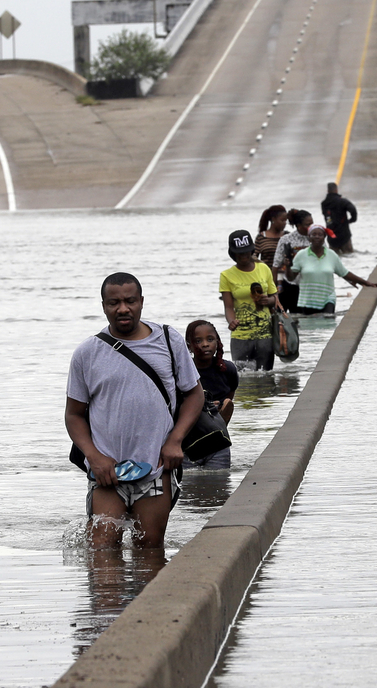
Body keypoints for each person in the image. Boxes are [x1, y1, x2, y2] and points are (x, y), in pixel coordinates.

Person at [65, 272, 204, 550]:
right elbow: (74, 414)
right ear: (103, 306)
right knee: (103, 550)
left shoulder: (168, 340)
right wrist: (94, 456)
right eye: (114, 303)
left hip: (156, 467)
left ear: (141, 301)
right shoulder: (87, 353)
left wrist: (175, 440)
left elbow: (194, 394)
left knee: (150, 550)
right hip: (107, 473)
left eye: (130, 301)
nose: (123, 309)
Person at [219, 229, 280, 371]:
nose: (244, 256)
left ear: (252, 250)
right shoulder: (226, 275)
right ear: (233, 254)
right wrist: (231, 321)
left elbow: (276, 298)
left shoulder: (263, 268)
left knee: (265, 375)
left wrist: (268, 301)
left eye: (246, 252)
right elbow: (228, 307)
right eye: (239, 253)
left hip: (265, 335)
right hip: (240, 336)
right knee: (243, 377)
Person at [288, 224, 377, 315]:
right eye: (314, 234)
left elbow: (345, 273)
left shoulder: (331, 255)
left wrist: (366, 283)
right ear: (309, 237)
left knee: (328, 318)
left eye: (320, 235)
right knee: (311, 323)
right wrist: (287, 267)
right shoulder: (301, 255)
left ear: (324, 237)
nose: (317, 237)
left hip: (328, 298)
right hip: (308, 300)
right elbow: (291, 278)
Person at [183, 320, 238, 470]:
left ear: (217, 342)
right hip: (189, 438)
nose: (205, 344)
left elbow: (229, 398)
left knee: (218, 478)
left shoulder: (228, 369)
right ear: (189, 345)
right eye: (198, 341)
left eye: (210, 339)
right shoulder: (183, 371)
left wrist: (216, 411)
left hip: (217, 437)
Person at [271, 209, 313, 311]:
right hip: (290, 285)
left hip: (311, 286)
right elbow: (276, 265)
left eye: (312, 223)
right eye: (308, 224)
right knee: (290, 316)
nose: (311, 227)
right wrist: (272, 291)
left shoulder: (317, 238)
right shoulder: (286, 239)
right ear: (298, 225)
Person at [321, 182, 358, 254]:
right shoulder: (342, 201)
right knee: (349, 254)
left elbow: (326, 216)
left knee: (334, 256)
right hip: (344, 235)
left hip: (331, 236)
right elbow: (352, 209)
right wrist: (352, 220)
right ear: (336, 190)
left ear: (327, 191)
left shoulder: (324, 204)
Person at [254, 204, 287, 269]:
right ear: (273, 219)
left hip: (285, 274)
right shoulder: (261, 237)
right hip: (266, 273)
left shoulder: (287, 236)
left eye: (286, 220)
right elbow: (253, 257)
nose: (285, 223)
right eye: (282, 220)